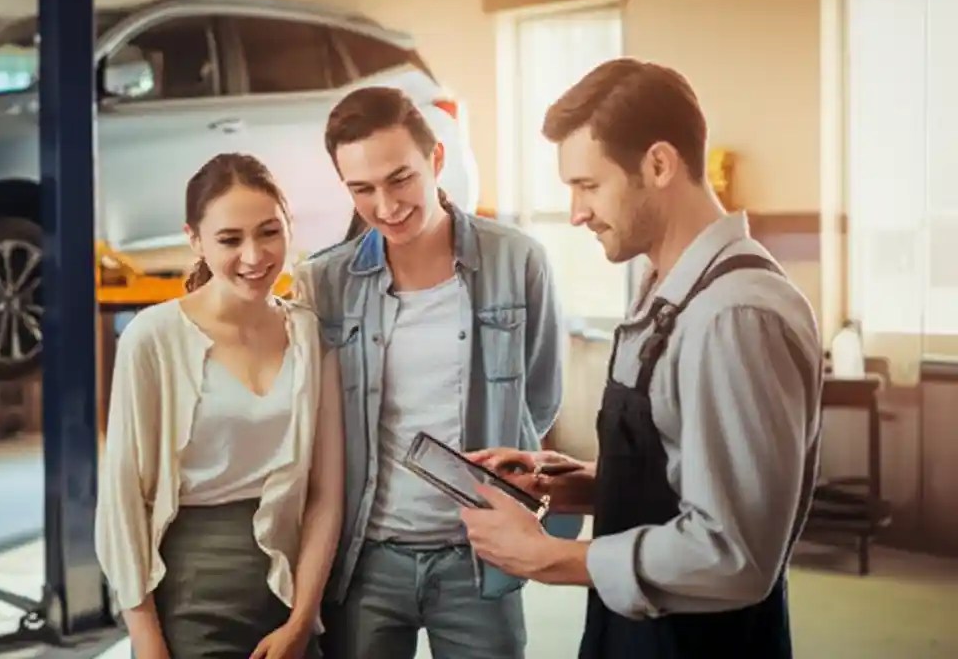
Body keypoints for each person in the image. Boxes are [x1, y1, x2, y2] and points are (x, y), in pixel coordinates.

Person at [459, 58, 824, 659]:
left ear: (658, 164)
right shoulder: (665, 285)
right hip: (636, 631)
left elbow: (735, 555)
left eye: (587, 185)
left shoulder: (733, 315)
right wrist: (578, 484)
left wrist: (552, 558)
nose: (576, 212)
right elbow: (688, 475)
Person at [291, 86, 565, 659]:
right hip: (366, 557)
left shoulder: (518, 261)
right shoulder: (325, 283)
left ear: (436, 161)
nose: (386, 206)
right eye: (361, 189)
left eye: (400, 179)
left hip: (481, 555)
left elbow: (537, 401)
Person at [95, 153, 345, 659]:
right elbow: (122, 499)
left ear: (288, 226)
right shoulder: (154, 337)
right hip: (189, 591)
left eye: (269, 232)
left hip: (289, 586)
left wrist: (301, 623)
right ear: (196, 240)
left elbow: (325, 496)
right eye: (230, 239)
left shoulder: (309, 337)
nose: (254, 256)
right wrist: (146, 640)